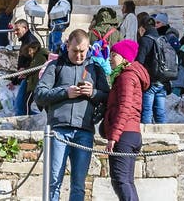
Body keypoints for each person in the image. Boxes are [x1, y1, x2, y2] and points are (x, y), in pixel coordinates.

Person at [34, 29, 110, 201]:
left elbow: (107, 97)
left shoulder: (95, 68)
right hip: (58, 131)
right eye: (75, 51)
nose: (79, 55)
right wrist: (64, 92)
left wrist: (93, 92)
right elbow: (39, 94)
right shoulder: (55, 66)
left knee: (79, 185)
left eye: (83, 51)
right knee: (53, 181)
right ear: (67, 46)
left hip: (85, 131)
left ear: (88, 48)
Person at [102, 39, 150, 201]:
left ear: (124, 57)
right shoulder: (129, 75)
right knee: (126, 181)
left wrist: (114, 137)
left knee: (121, 181)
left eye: (114, 55)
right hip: (132, 133)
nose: (110, 58)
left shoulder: (126, 77)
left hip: (124, 134)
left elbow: (124, 107)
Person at [135, 14, 167, 124]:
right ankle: (163, 136)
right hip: (163, 80)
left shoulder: (145, 40)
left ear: (142, 28)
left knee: (146, 111)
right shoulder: (162, 39)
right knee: (160, 113)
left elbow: (139, 62)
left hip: (150, 81)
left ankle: (146, 136)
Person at [10, 18, 41, 115]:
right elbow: (23, 65)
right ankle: (40, 119)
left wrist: (25, 72)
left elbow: (36, 63)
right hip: (26, 77)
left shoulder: (32, 42)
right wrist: (14, 81)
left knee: (20, 107)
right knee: (21, 107)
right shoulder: (25, 41)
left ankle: (40, 120)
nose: (15, 32)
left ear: (25, 28)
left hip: (30, 78)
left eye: (17, 29)